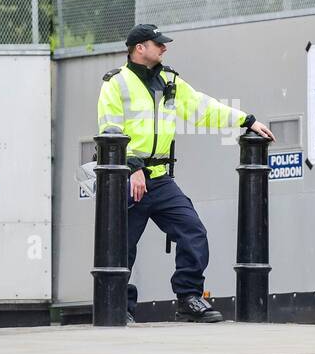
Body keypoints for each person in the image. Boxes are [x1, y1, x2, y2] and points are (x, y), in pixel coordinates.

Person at [97, 24, 275, 323]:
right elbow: (110, 129)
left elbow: (204, 108)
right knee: (120, 247)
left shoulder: (170, 81)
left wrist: (247, 120)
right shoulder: (117, 84)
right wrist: (133, 168)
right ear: (139, 47)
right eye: (158, 44)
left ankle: (188, 298)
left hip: (161, 178)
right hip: (127, 179)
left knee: (193, 231)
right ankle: (120, 308)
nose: (164, 48)